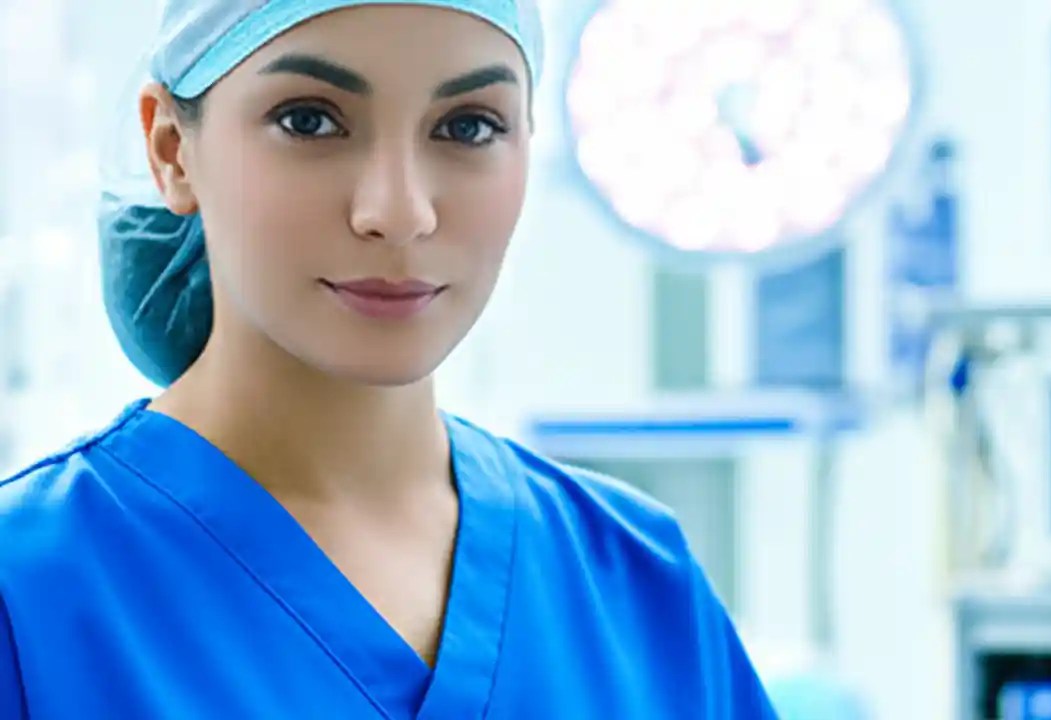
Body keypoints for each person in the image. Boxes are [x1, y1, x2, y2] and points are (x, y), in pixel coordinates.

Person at [0, 2, 779, 718]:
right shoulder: (29, 592)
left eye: (469, 126)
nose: (400, 212)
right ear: (171, 151)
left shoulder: (637, 584)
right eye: (309, 121)